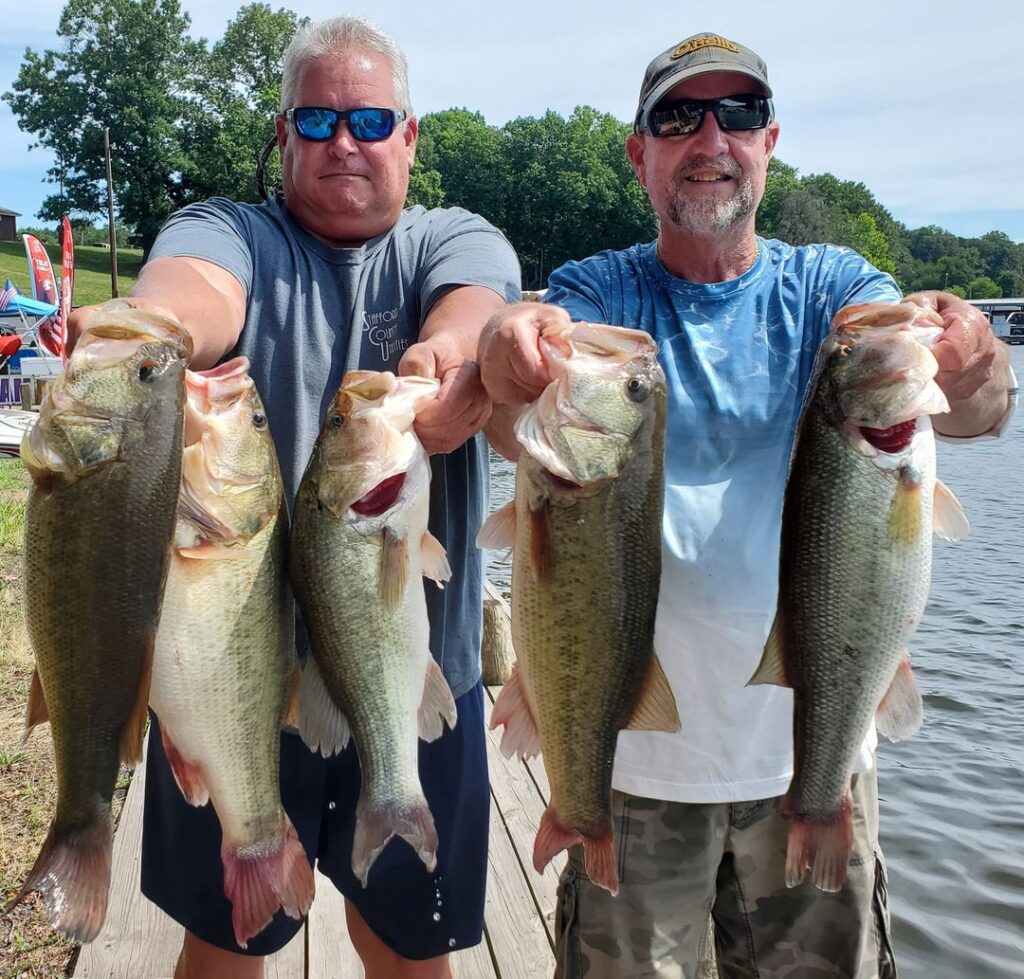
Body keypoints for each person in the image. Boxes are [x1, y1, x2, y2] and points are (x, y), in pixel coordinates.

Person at [477, 32, 1016, 979]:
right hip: (630, 773)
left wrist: (976, 360)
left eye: (739, 114)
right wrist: (505, 348)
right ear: (639, 152)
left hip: (811, 757)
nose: (711, 136)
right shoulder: (603, 292)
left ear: (772, 141)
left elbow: (977, 409)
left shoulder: (835, 291)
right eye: (679, 117)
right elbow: (513, 391)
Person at [69, 16, 519, 979]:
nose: (343, 141)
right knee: (228, 938)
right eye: (316, 120)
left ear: (409, 137)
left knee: (405, 947)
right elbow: (195, 288)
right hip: (229, 670)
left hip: (415, 677)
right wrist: (147, 330)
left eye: (368, 119)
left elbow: (474, 307)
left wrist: (450, 361)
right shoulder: (231, 229)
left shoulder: (452, 236)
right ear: (282, 137)